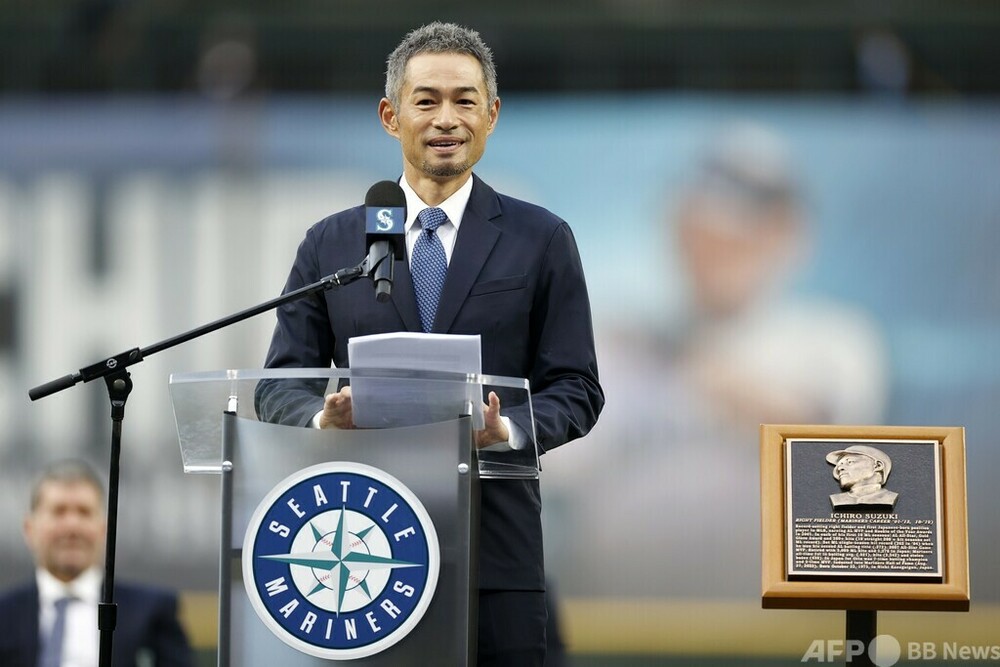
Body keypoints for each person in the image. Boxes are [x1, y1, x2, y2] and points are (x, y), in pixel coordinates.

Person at [256, 21, 603, 666]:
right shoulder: (333, 243)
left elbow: (578, 389)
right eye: (427, 100)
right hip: (360, 548)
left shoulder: (541, 239)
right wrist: (320, 416)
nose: (447, 119)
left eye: (465, 101)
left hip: (493, 544)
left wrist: (511, 431)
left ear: (492, 114)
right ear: (391, 116)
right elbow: (280, 385)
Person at [0, 459, 195, 667]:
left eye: (84, 512)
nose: (72, 526)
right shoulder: (4, 615)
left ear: (104, 530)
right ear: (29, 529)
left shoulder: (152, 613)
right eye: (59, 511)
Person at [827, 445, 898, 508]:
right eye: (839, 465)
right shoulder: (837, 499)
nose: (840, 468)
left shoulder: (889, 498)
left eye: (850, 462)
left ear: (878, 466)